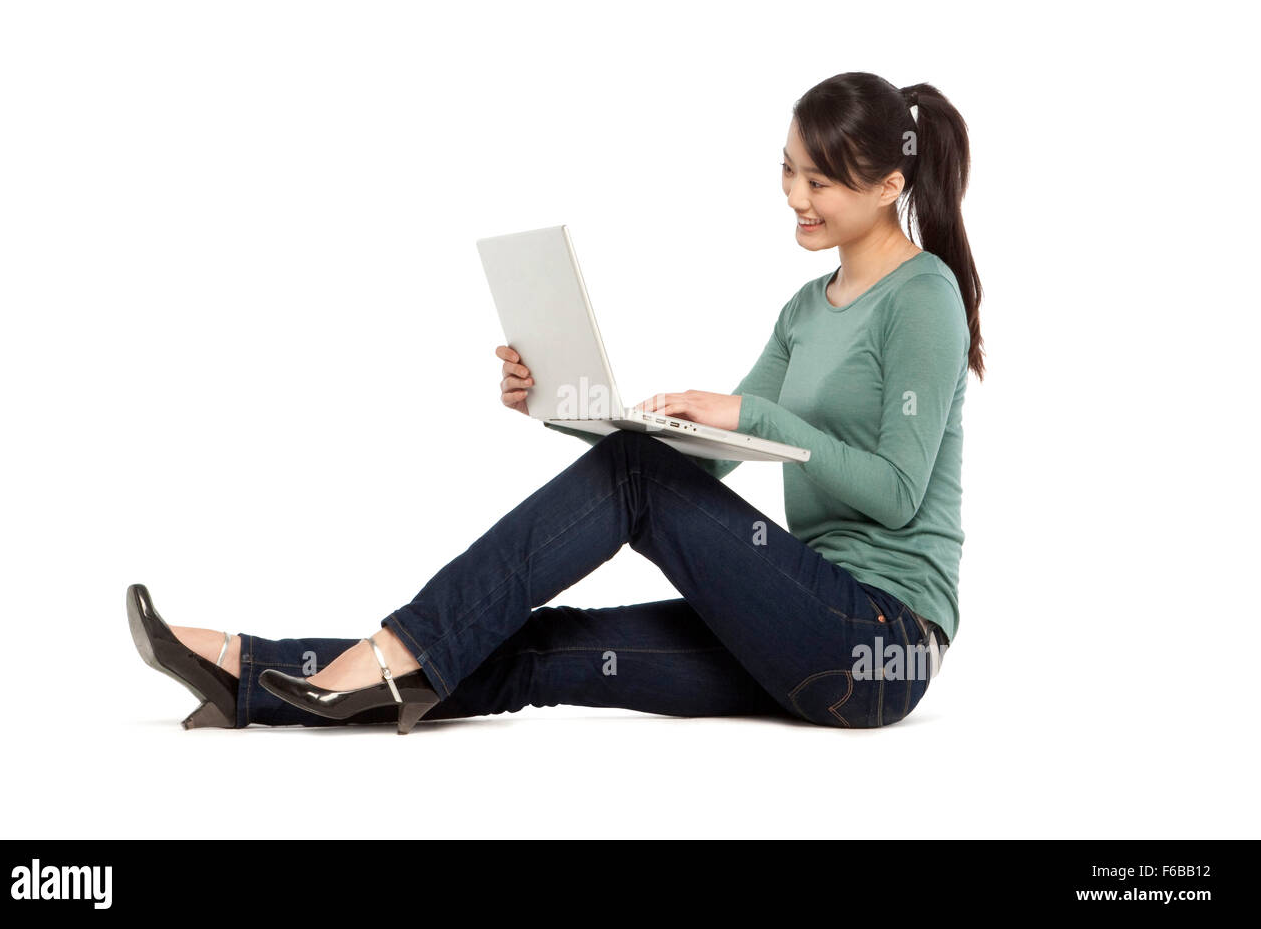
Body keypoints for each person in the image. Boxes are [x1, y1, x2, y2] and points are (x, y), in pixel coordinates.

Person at [127, 71, 984, 734]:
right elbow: (708, 461)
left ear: (887, 185)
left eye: (821, 181)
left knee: (637, 478)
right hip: (794, 631)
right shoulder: (806, 309)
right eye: (788, 171)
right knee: (544, 644)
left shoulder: (923, 297)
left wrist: (750, 414)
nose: (796, 197)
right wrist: (561, 406)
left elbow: (895, 492)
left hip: (876, 645)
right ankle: (253, 675)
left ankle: (396, 646)